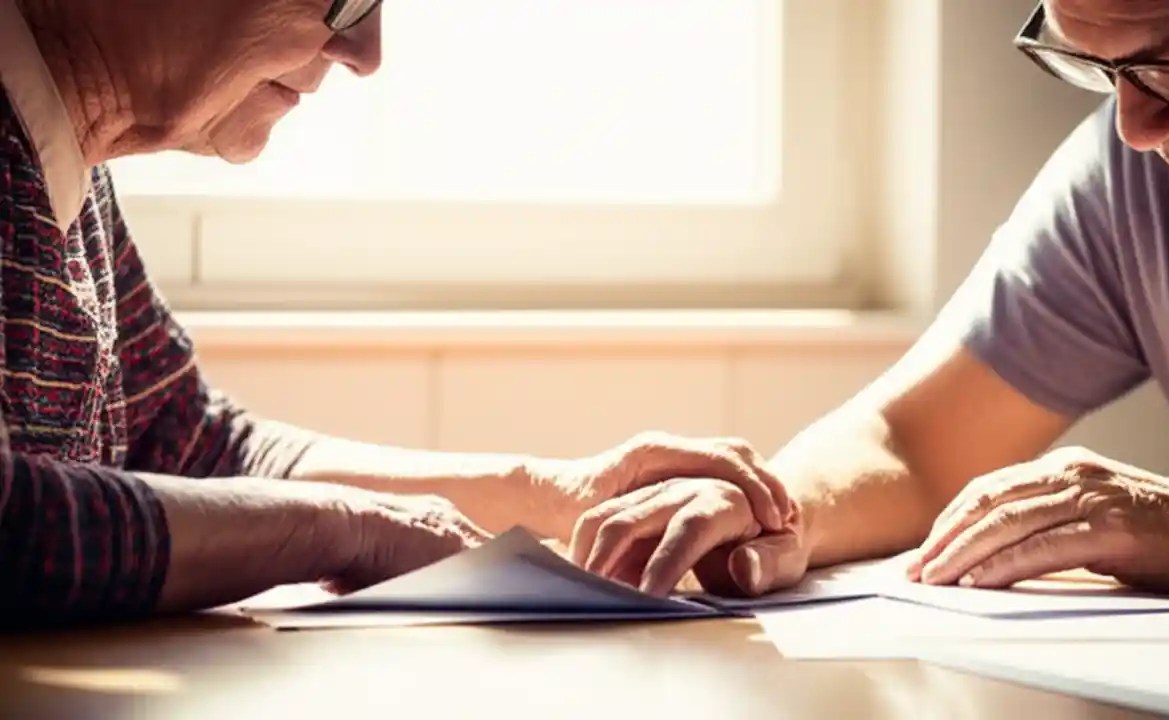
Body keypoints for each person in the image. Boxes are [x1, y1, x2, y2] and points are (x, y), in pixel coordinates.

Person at [0, 0, 795, 624]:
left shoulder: (65, 154)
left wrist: (551, 491)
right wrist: (337, 527)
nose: (366, 53)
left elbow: (188, 442)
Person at [573, 0, 1169, 601]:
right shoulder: (1143, 185)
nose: (1136, 128)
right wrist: (772, 507)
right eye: (1101, 69)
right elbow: (917, 444)